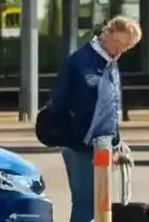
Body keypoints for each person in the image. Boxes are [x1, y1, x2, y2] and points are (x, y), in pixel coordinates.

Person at [44, 16, 142, 222]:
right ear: (107, 34)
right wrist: (72, 136)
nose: (120, 51)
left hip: (102, 144)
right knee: (86, 203)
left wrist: (115, 141)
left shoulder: (110, 62)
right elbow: (59, 102)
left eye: (126, 48)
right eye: (118, 44)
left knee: (98, 203)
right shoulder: (79, 62)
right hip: (80, 143)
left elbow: (111, 106)